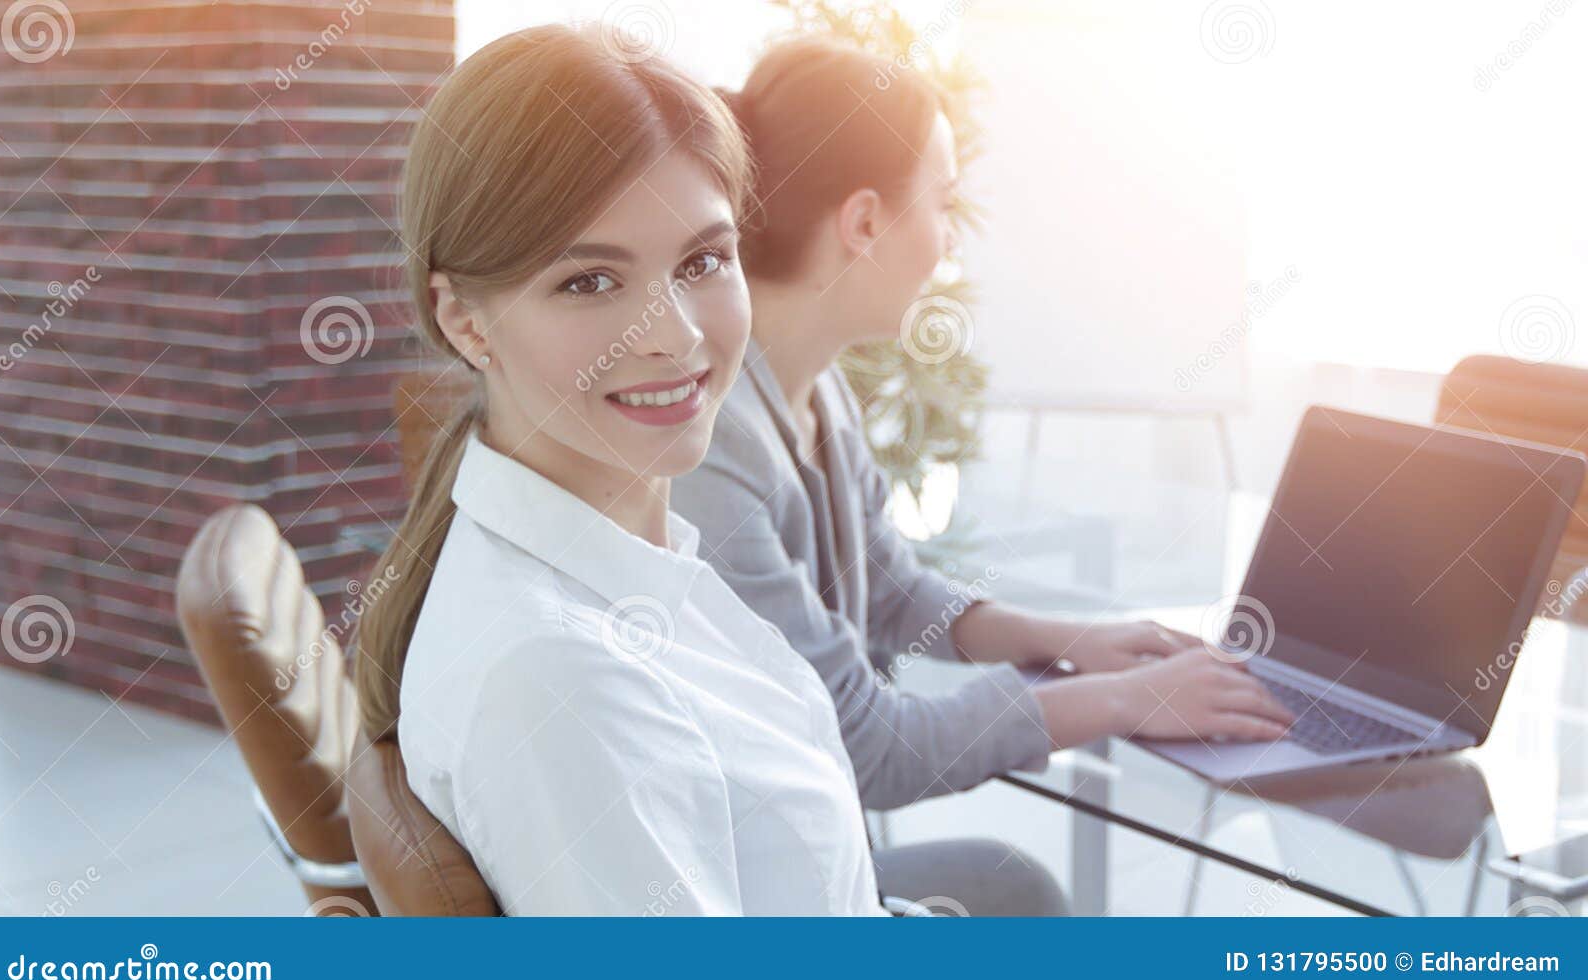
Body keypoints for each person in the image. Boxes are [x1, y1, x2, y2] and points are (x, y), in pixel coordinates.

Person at [672, 38, 1294, 914]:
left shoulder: (816, 392)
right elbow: (874, 748)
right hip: (741, 892)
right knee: (1021, 894)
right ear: (862, 223)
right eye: (945, 205)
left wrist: (1071, 640)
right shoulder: (714, 445)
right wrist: (1124, 699)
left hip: (806, 856)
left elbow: (890, 591)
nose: (948, 246)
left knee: (1018, 887)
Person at [351, 26, 883, 916]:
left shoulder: (611, 571)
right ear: (467, 322)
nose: (673, 334)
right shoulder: (560, 680)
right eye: (590, 282)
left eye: (703, 260)